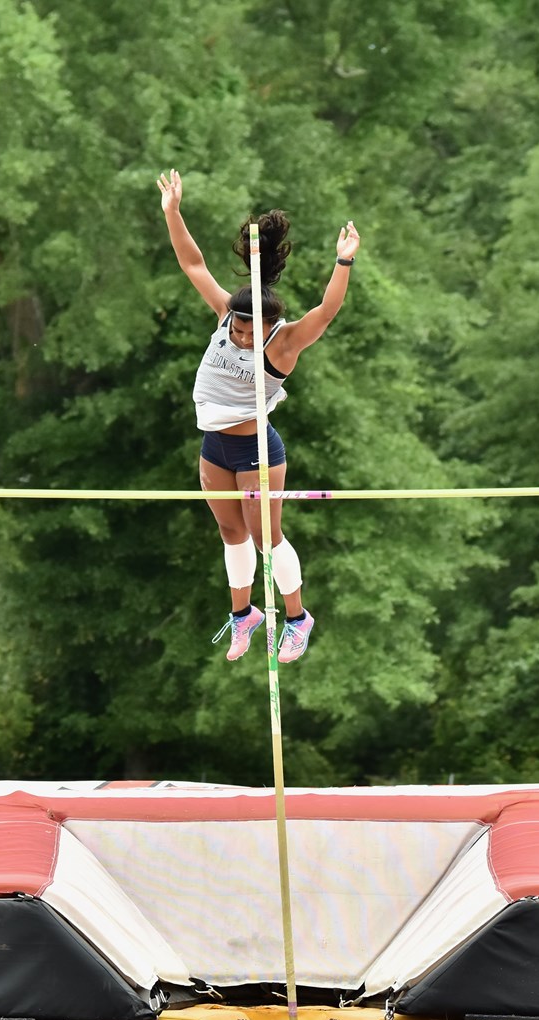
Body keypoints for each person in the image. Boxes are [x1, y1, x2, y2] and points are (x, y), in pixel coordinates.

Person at [156, 168, 360, 664]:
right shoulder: (228, 315)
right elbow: (193, 264)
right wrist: (173, 213)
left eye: (252, 331)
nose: (242, 338)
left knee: (268, 538)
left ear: (272, 325)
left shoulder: (285, 342)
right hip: (214, 445)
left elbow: (326, 311)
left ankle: (296, 618)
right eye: (239, 329)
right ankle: (245, 615)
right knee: (231, 533)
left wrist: (343, 261)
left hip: (255, 449)